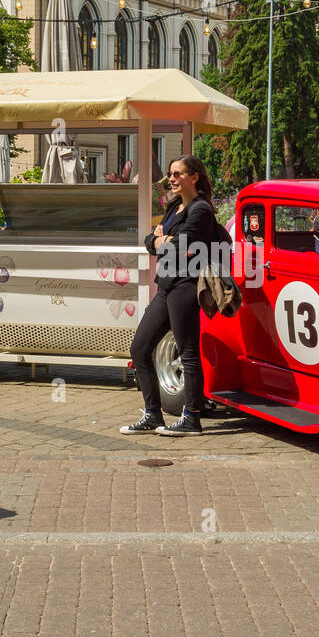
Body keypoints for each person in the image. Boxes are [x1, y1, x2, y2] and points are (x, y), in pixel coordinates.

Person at [123, 155, 216, 437]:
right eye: (171, 174)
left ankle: (192, 419)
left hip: (186, 286)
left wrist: (163, 240)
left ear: (194, 177)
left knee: (188, 353)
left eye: (177, 174)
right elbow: (150, 241)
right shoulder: (175, 206)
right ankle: (153, 415)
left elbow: (178, 247)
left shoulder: (201, 210)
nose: (172, 179)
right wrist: (160, 239)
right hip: (166, 286)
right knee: (139, 349)